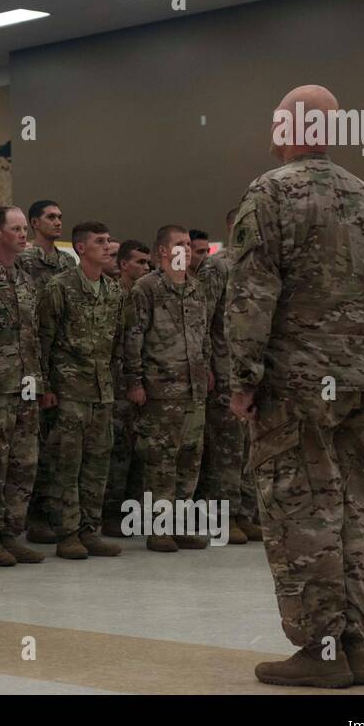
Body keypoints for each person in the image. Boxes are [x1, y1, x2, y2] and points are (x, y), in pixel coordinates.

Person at [227, 83, 364, 688]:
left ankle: (320, 650)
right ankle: (351, 644)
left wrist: (242, 379)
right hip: (357, 382)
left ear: (286, 130)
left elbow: (252, 294)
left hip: (295, 385)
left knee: (300, 508)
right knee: (353, 508)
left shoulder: (269, 193)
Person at [37, 221, 124, 560]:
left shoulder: (113, 290)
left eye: (108, 240)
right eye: (99, 242)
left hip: (102, 390)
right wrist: (44, 386)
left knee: (97, 464)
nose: (106, 247)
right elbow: (43, 339)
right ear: (81, 248)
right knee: (66, 465)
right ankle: (68, 533)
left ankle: (90, 529)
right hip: (69, 389)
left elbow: (117, 341)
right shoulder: (60, 288)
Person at [124, 225, 213, 551]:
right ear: (163, 251)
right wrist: (134, 381)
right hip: (161, 389)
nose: (187, 250)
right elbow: (133, 338)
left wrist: (207, 368)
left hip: (194, 388)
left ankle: (180, 524)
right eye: (180, 245)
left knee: (190, 460)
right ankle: (159, 528)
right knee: (160, 461)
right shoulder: (146, 289)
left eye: (189, 245)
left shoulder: (197, 288)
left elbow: (204, 334)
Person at [0, 206, 45, 567]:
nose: (23, 234)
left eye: (24, 229)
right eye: (15, 229)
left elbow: (34, 336)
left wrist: (40, 380)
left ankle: (11, 532)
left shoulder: (27, 278)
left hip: (26, 383)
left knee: (24, 462)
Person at [197, 211, 262, 544]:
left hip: (253, 370)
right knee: (226, 449)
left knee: (248, 447)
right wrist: (207, 364)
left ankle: (245, 512)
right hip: (224, 368)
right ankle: (223, 517)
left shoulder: (263, 264)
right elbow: (203, 318)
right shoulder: (217, 266)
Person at [19, 199, 75, 544]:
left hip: (63, 358)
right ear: (34, 223)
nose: (57, 222)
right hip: (29, 354)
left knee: (58, 445)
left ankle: (56, 513)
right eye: (50, 217)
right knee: (33, 441)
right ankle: (33, 515)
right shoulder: (25, 260)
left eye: (60, 216)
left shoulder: (68, 262)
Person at [102, 239, 151, 537]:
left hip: (142, 383)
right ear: (123, 264)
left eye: (148, 263)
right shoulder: (113, 295)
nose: (146, 268)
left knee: (138, 451)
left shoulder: (145, 295)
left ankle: (132, 513)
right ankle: (111, 514)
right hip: (118, 383)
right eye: (140, 262)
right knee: (117, 453)